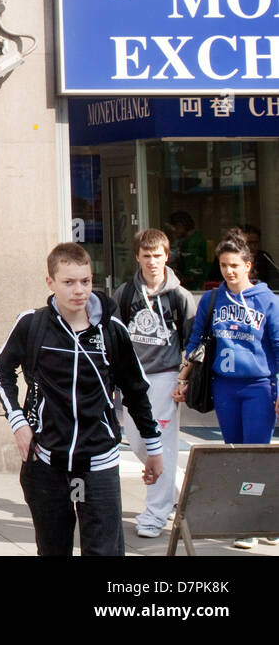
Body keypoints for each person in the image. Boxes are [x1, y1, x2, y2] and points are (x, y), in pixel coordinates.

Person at [0, 242, 163, 557]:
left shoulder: (112, 330)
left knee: (103, 551)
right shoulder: (33, 324)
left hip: (98, 462)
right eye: (69, 282)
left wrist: (153, 448)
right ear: (51, 283)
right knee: (53, 549)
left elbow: (136, 390)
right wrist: (18, 421)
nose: (79, 290)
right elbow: (1, 368)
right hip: (47, 461)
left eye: (85, 281)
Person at [174, 230, 279, 548]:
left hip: (258, 387)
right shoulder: (212, 298)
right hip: (224, 387)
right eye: (223, 265)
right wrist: (182, 379)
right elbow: (196, 342)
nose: (229, 271)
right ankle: (251, 519)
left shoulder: (268, 300)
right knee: (235, 454)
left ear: (248, 265)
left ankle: (257, 521)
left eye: (234, 265)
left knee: (257, 455)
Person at [112, 227, 194, 539]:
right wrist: (114, 378)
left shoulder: (179, 296)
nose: (152, 261)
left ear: (167, 256)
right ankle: (177, 487)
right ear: (137, 257)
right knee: (137, 441)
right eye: (146, 256)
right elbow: (115, 337)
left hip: (165, 377)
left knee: (161, 442)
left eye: (157, 256)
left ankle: (156, 513)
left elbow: (192, 343)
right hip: (133, 379)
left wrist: (184, 381)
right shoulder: (126, 293)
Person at [167, 211, 207, 289]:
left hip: (193, 288)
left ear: (181, 226)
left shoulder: (191, 243)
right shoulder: (193, 238)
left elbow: (191, 275)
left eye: (175, 228)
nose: (173, 231)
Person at [241, 224, 279, 291]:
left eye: (255, 243)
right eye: (249, 243)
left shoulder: (264, 257)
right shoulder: (228, 259)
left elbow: (275, 280)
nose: (253, 247)